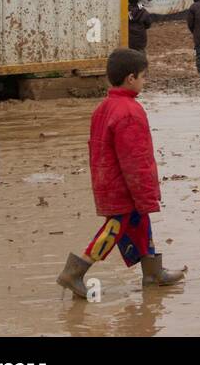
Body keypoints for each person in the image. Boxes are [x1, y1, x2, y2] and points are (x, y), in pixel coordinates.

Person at [55, 48, 186, 299]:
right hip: (124, 186)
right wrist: (146, 194)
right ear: (131, 78)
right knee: (113, 229)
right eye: (144, 77)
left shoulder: (104, 108)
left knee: (141, 222)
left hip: (108, 181)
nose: (145, 82)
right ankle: (75, 271)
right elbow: (135, 161)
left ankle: (152, 273)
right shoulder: (129, 112)